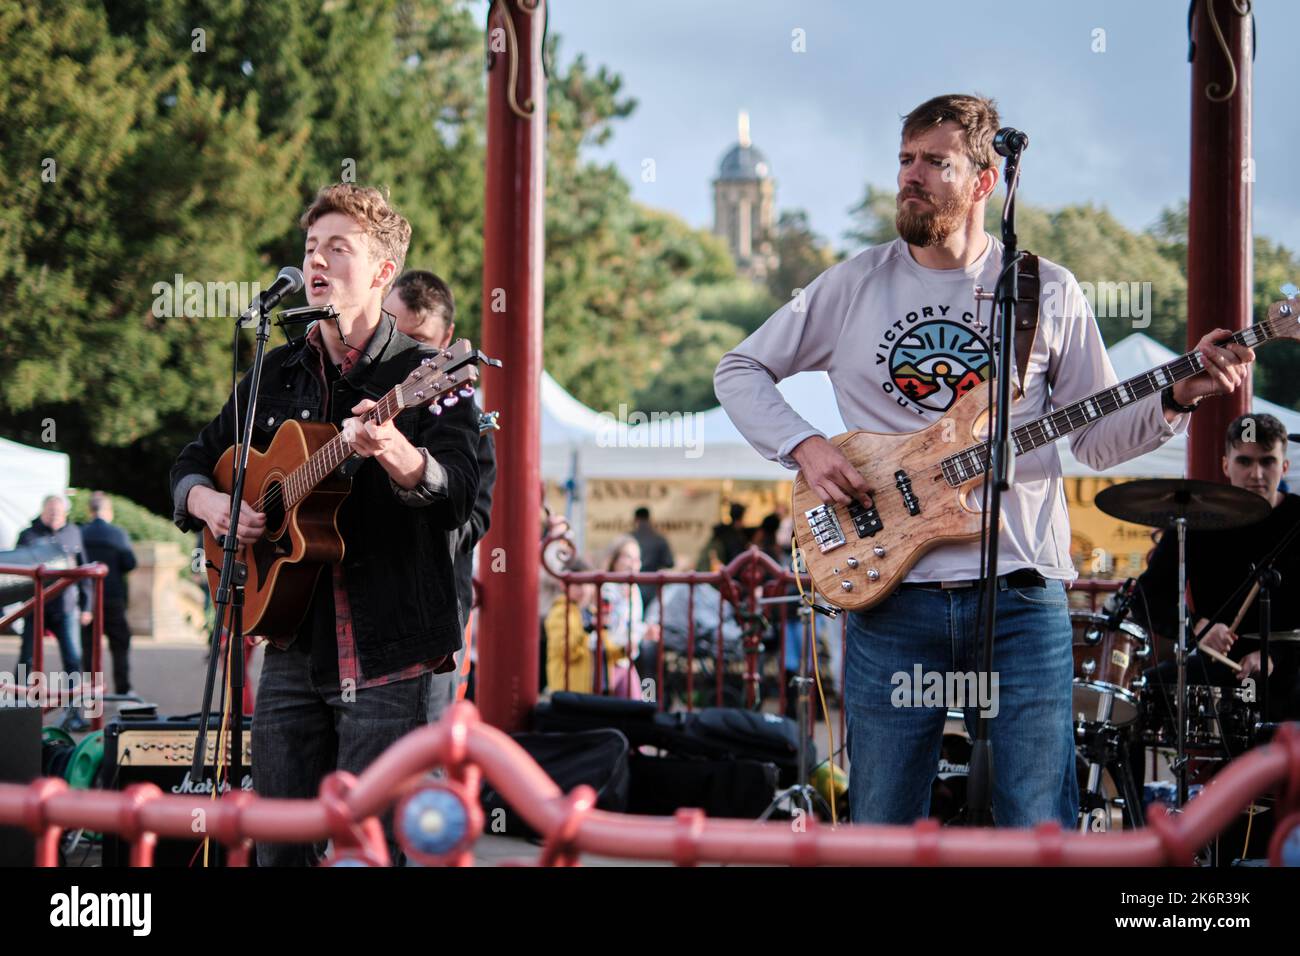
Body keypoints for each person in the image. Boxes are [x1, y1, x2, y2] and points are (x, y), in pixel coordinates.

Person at [714, 93, 1253, 827]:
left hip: (1021, 594)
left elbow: (1095, 438)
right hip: (890, 593)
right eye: (904, 160)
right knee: (882, 821)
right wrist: (804, 445)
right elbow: (738, 369)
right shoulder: (851, 285)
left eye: (934, 162)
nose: (911, 176)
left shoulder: (1044, 290)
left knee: (1039, 819)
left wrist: (1175, 397)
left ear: (983, 181)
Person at [170, 183, 480, 866]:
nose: (316, 261)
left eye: (338, 249)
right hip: (289, 644)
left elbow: (463, 499)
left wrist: (397, 452)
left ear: (381, 272)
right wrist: (211, 505)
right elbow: (194, 459)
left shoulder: (427, 374)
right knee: (278, 848)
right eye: (312, 247)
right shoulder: (277, 368)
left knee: (370, 851)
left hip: (392, 654)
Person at [1135, 413, 1300, 729]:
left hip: (1291, 665)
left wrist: (1273, 656)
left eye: (1267, 461)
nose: (1256, 473)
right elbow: (1148, 597)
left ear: (1284, 466)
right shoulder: (1196, 520)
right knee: (1134, 700)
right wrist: (1196, 627)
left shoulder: (1298, 520)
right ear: (1226, 465)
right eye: (1244, 461)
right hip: (1217, 666)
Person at [384, 269, 498, 721]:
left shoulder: (465, 408)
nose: (410, 353)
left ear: (448, 339)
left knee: (423, 757)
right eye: (395, 333)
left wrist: (419, 493)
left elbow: (476, 516)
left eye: (421, 340)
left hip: (430, 608)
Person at [17, 495, 92, 677]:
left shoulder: (73, 533)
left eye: (58, 512)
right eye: (50, 512)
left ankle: (73, 703)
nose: (54, 516)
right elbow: (17, 572)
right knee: (27, 659)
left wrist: (87, 607)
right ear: (42, 511)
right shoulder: (28, 535)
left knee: (73, 658)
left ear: (65, 513)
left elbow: (85, 570)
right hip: (35, 606)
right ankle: (18, 701)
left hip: (65, 606)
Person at [78, 491, 138, 696]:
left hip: (87, 599)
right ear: (108, 511)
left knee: (88, 646)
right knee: (120, 643)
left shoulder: (81, 533)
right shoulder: (118, 534)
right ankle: (123, 689)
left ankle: (91, 690)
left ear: (90, 510)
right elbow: (130, 563)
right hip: (113, 596)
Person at [601, 535, 661, 697]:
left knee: (636, 705)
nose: (634, 563)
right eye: (628, 557)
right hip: (608, 662)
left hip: (627, 661)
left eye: (637, 558)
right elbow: (607, 628)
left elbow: (634, 625)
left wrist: (645, 631)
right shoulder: (606, 589)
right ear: (615, 560)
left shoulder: (634, 589)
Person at [543, 557, 614, 693]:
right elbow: (568, 652)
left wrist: (623, 648)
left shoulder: (591, 612)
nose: (584, 590)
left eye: (587, 584)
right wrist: (589, 630)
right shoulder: (560, 612)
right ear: (563, 585)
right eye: (578, 584)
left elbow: (607, 650)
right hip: (570, 690)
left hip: (597, 687)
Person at [631, 506, 674, 610]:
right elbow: (670, 563)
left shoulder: (628, 539)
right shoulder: (659, 539)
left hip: (632, 584)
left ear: (635, 519)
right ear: (650, 519)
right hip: (653, 586)